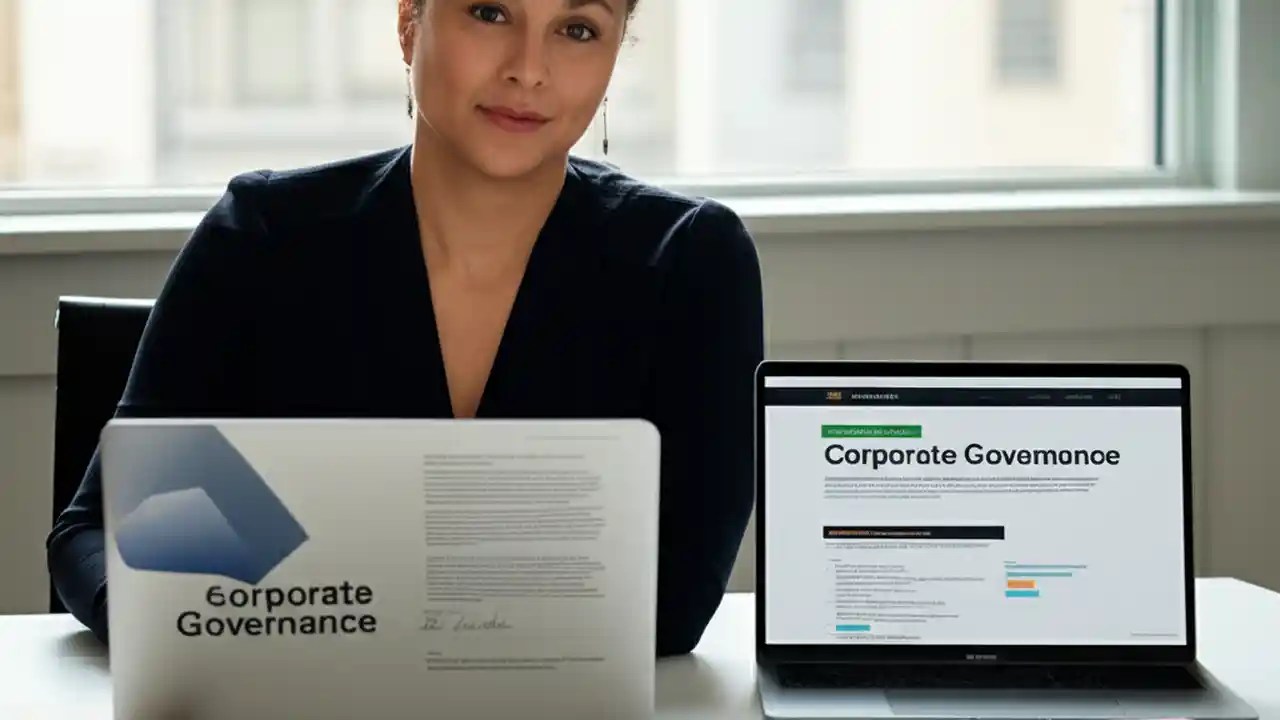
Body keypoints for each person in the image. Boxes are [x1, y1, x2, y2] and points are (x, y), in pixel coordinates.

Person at [46, 0, 763, 657]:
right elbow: (97, 536)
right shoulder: (262, 238)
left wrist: (343, 604)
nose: (528, 69)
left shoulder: (692, 261)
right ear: (408, 24)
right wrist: (196, 629)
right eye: (489, 12)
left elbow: (677, 605)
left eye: (577, 29)